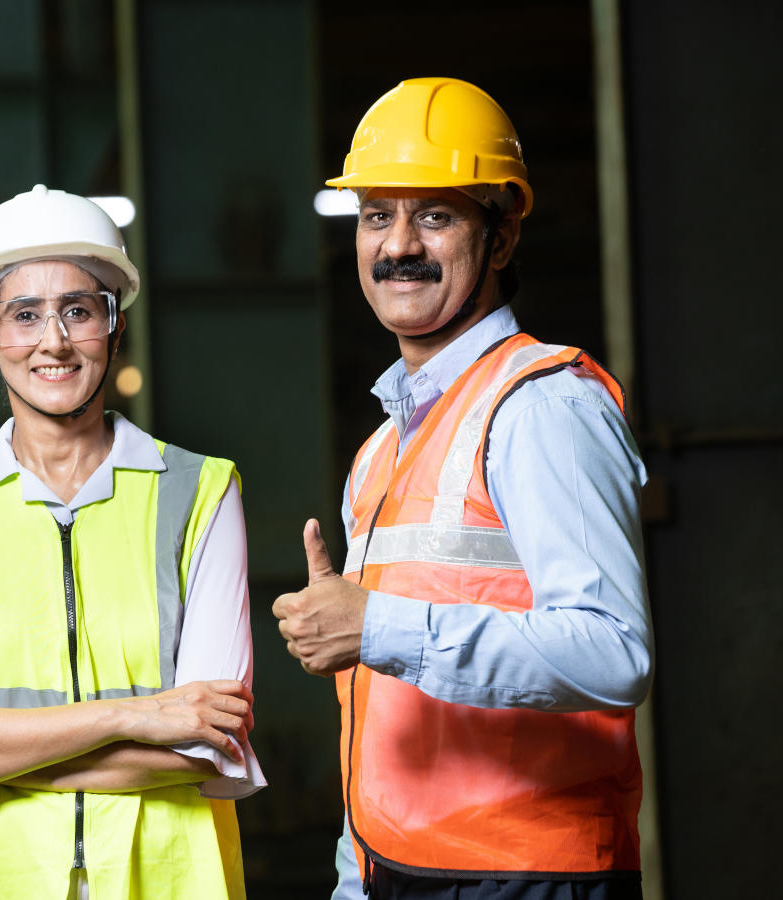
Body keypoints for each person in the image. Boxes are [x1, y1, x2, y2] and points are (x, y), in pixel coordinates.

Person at [272, 78, 653, 899]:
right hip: (397, 874)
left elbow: (615, 654)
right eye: (378, 215)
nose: (398, 244)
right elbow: (375, 717)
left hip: (531, 877)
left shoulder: (542, 405)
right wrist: (354, 878)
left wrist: (380, 624)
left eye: (435, 215)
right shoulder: (380, 451)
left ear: (503, 235)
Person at [0, 185, 265, 899]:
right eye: (24, 316)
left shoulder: (202, 492)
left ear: (116, 328)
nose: (53, 341)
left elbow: (210, 745)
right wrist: (134, 716)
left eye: (79, 311)